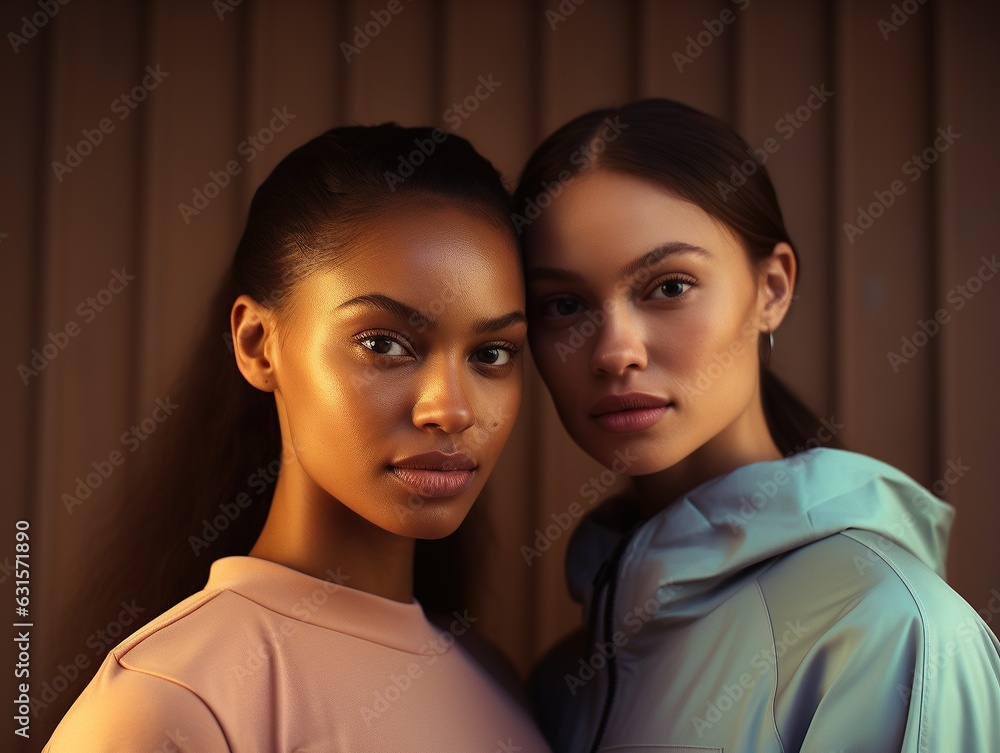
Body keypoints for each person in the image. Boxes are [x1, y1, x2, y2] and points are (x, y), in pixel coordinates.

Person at [44, 124, 551, 752]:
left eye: (493, 352)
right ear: (258, 344)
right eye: (384, 345)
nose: (450, 410)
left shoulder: (496, 681)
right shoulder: (170, 699)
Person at [514, 99, 1000, 752]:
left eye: (668, 286)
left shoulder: (890, 633)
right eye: (564, 304)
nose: (614, 351)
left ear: (771, 289)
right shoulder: (559, 684)